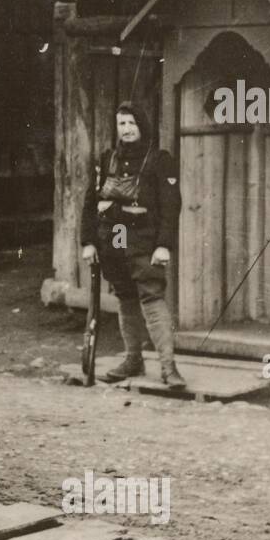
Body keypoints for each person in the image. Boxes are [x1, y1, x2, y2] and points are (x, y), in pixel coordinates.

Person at [80, 101, 186, 390]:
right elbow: (90, 202)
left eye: (131, 123)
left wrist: (164, 245)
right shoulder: (107, 159)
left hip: (144, 238)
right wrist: (88, 241)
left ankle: (168, 367)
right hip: (115, 235)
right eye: (121, 124)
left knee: (151, 296)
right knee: (126, 296)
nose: (126, 129)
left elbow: (170, 206)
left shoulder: (159, 160)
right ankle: (132, 359)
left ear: (142, 126)